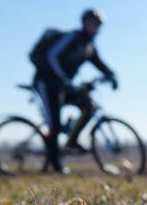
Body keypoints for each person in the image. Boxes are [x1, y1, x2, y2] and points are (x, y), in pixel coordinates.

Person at [30, 9, 118, 173]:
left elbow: (99, 63)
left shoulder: (89, 46)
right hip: (47, 83)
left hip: (64, 85)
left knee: (89, 106)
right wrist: (62, 77)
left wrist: (110, 74)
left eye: (98, 25)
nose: (96, 27)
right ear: (84, 23)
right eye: (93, 24)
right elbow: (51, 55)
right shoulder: (73, 38)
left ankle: (72, 140)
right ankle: (55, 165)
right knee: (54, 124)